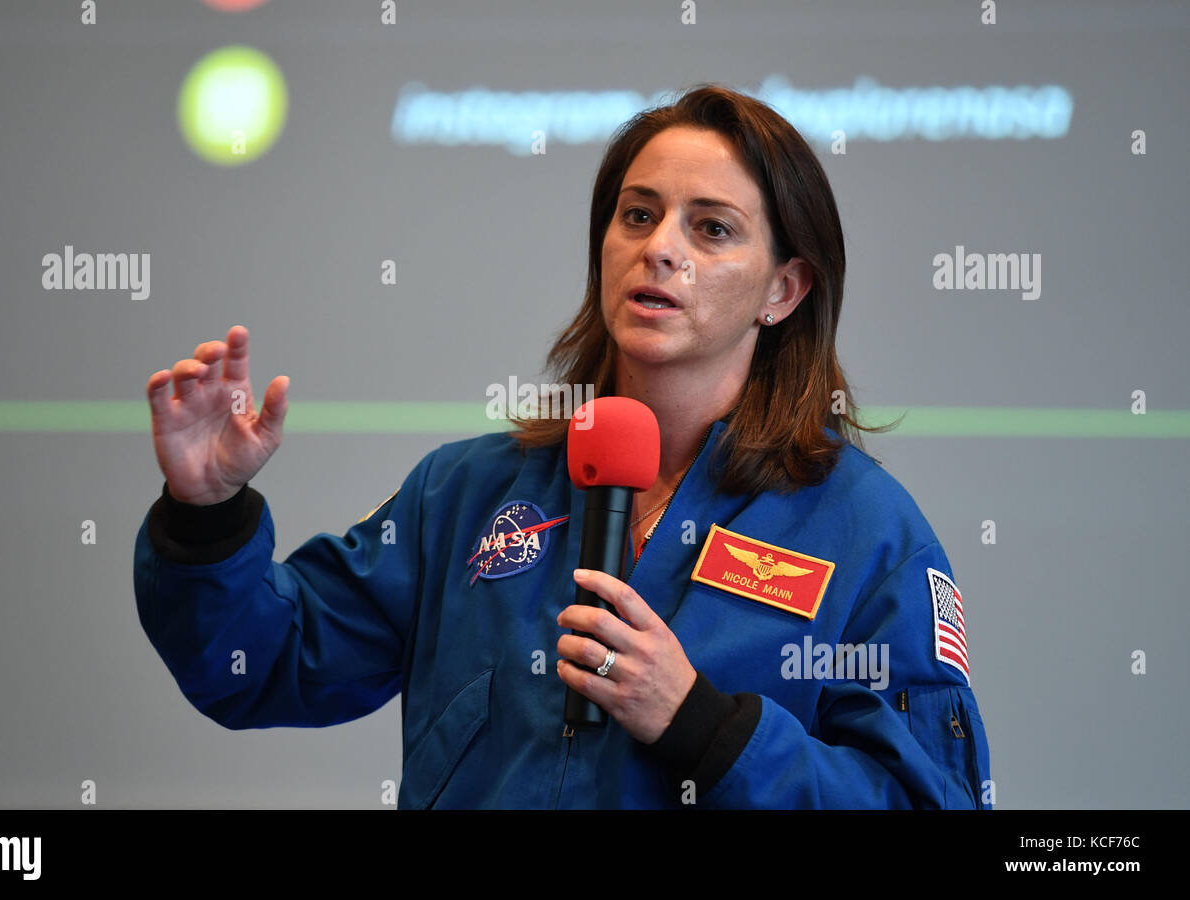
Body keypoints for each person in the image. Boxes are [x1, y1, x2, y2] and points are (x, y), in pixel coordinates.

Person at [134, 84, 992, 809]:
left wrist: (704, 726)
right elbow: (263, 667)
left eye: (712, 229)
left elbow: (926, 797)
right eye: (639, 214)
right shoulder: (464, 494)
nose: (659, 248)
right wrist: (205, 515)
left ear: (784, 289)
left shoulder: (866, 531)